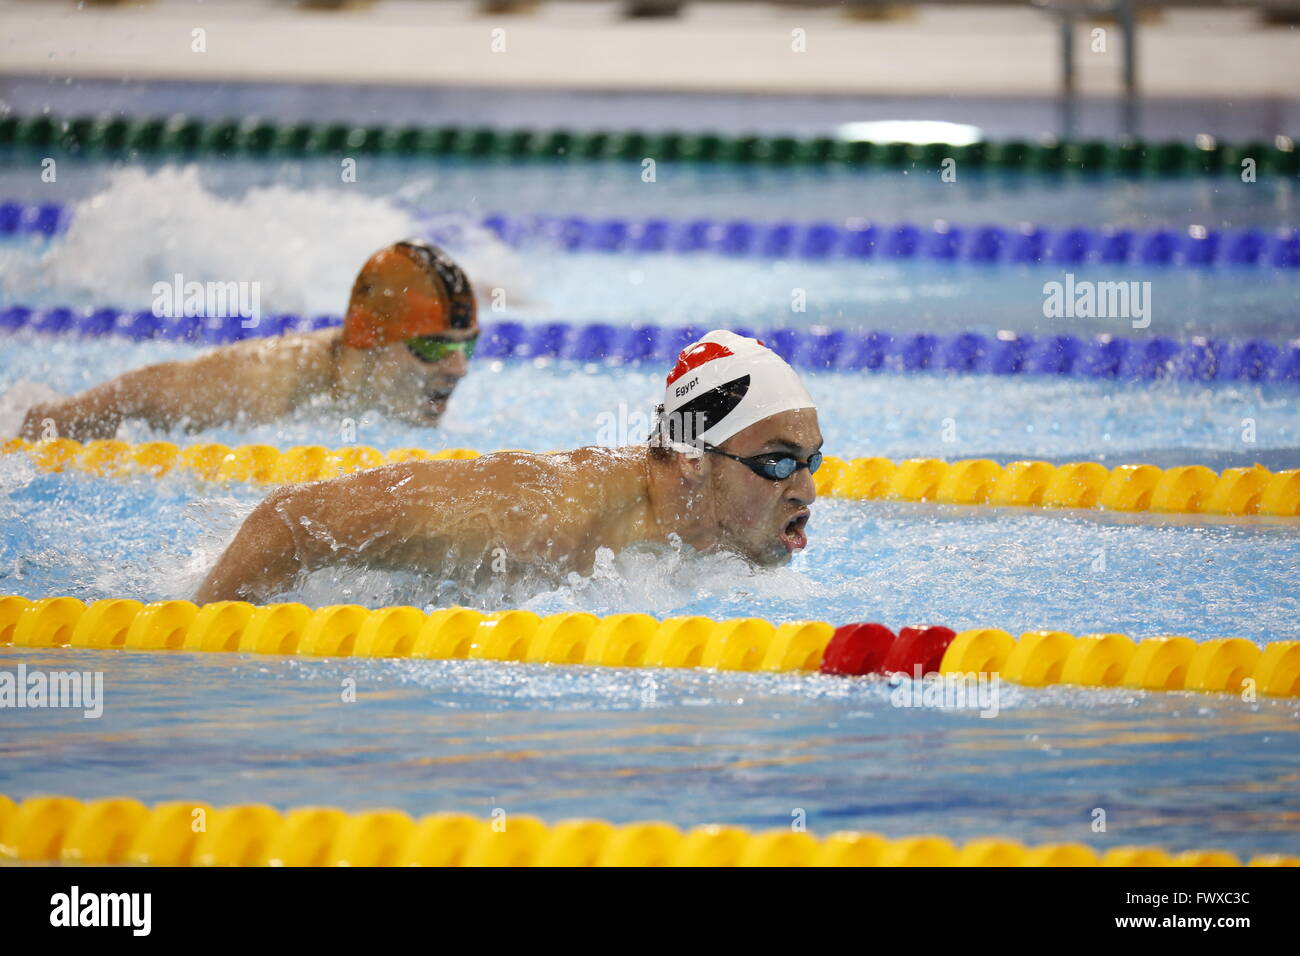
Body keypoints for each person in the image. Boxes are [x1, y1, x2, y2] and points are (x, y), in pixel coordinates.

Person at [195, 330, 823, 604]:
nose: (808, 489)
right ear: (689, 457)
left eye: (812, 459)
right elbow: (295, 519)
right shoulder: (538, 513)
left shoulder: (719, 534)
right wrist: (204, 641)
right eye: (778, 463)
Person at [17, 240, 478, 441]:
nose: (458, 368)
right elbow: (127, 397)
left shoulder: (384, 395)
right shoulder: (261, 383)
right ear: (369, 340)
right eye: (433, 347)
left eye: (468, 346)